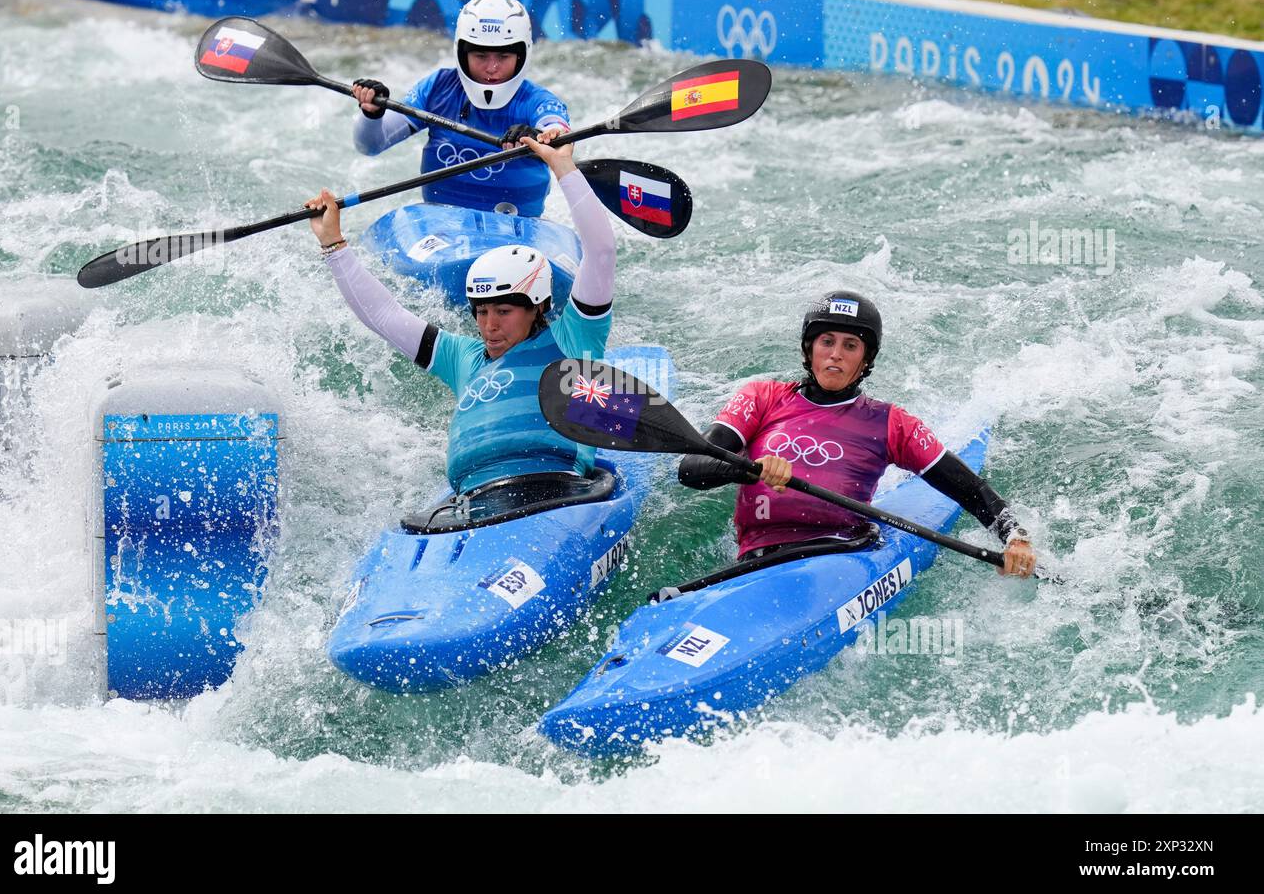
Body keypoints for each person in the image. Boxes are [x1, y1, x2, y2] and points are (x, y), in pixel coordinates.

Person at [305, 136, 615, 494]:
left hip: (556, 488)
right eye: (481, 312)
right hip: (474, 500)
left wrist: (563, 167)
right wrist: (333, 243)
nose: (489, 325)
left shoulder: (572, 338)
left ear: (539, 306)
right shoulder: (463, 358)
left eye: (504, 310)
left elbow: (602, 252)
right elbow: (384, 316)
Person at [678, 291, 1037, 577]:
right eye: (826, 342)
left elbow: (969, 489)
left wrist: (1014, 537)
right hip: (757, 561)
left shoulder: (891, 422)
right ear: (809, 349)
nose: (835, 355)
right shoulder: (762, 398)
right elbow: (691, 469)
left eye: (850, 346)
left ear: (865, 360)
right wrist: (749, 469)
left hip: (842, 555)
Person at [350, 0, 571, 218]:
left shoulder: (538, 101)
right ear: (462, 52)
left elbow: (560, 137)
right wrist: (372, 114)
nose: (491, 68)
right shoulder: (438, 88)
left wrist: (538, 136)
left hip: (518, 231)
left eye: (504, 56)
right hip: (440, 227)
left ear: (522, 54)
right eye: (480, 55)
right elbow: (370, 145)